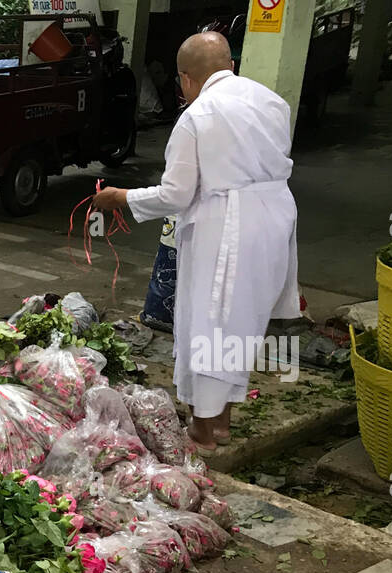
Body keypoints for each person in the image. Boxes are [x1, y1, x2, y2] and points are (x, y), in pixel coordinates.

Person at [93, 32, 299, 451]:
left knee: (210, 322)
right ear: (231, 65)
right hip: (275, 219)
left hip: (227, 225)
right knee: (241, 321)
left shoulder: (197, 115)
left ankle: (205, 430)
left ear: (185, 79)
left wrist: (121, 198)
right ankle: (221, 419)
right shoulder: (272, 101)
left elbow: (175, 194)